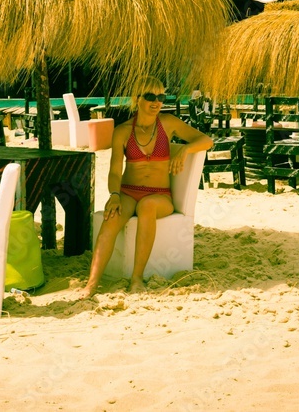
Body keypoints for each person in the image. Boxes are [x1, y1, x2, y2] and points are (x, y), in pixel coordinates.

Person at [81, 76, 213, 296]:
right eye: (150, 96)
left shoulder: (168, 123)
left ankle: (136, 279)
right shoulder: (122, 132)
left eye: (161, 97)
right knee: (111, 217)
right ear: (137, 98)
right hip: (128, 192)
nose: (157, 102)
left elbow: (206, 140)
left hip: (160, 196)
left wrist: (184, 150)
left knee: (147, 206)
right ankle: (91, 284)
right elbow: (115, 171)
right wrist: (114, 194)